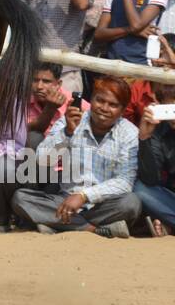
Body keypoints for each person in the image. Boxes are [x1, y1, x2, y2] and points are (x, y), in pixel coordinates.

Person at [12, 77, 141, 237]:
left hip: (102, 204)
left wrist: (84, 196)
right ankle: (94, 230)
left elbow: (124, 181)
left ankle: (59, 224)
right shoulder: (69, 120)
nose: (104, 108)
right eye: (100, 100)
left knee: (131, 203)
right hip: (64, 201)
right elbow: (42, 159)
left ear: (122, 110)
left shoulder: (129, 133)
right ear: (91, 100)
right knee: (21, 199)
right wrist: (67, 133)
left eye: (113, 105)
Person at [134, 75, 175, 236]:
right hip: (171, 199)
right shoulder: (160, 131)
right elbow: (151, 180)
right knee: (140, 189)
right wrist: (144, 138)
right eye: (169, 107)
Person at [25, 62, 88, 148]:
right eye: (35, 80)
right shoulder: (22, 102)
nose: (39, 86)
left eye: (46, 81)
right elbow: (26, 131)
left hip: (65, 153)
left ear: (58, 84)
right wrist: (50, 109)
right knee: (33, 137)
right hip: (33, 154)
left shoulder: (72, 101)